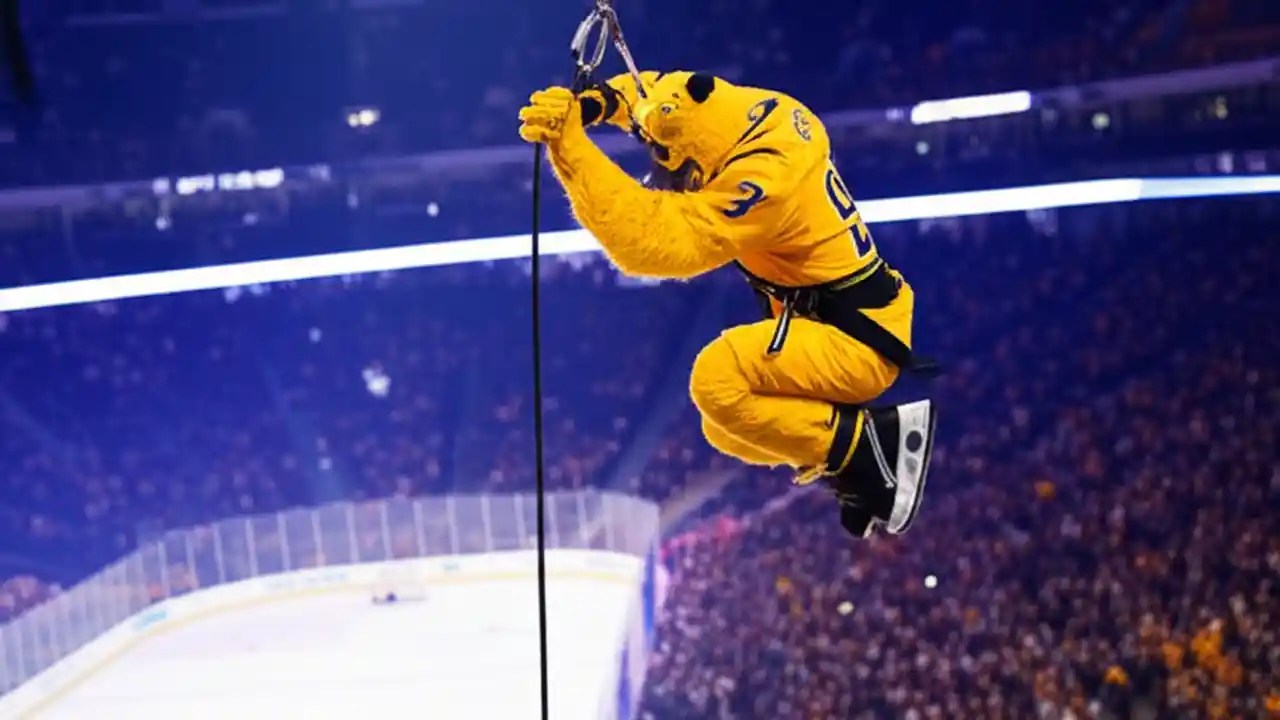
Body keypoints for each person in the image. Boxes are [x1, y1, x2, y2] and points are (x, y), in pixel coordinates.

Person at [517, 71, 937, 538]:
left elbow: (652, 243)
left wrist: (571, 148)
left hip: (855, 340)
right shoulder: (726, 110)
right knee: (723, 428)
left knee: (716, 379)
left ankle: (864, 445)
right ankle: (853, 464)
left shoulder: (766, 175)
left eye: (682, 172)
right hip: (851, 320)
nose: (681, 183)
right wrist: (589, 107)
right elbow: (643, 91)